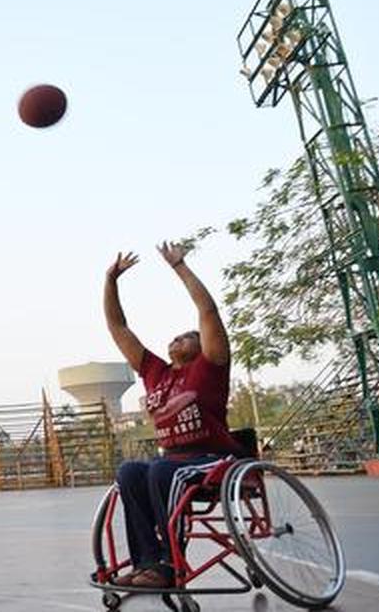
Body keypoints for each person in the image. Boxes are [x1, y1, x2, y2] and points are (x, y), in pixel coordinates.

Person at [103, 243, 241, 588]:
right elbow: (119, 327)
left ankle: (169, 564)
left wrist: (179, 266)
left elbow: (207, 311)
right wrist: (111, 281)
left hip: (214, 459)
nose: (176, 338)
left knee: (164, 470)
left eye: (186, 336)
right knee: (131, 471)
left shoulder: (210, 367)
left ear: (202, 345)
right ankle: (146, 562)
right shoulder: (156, 373)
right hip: (173, 462)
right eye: (175, 336)